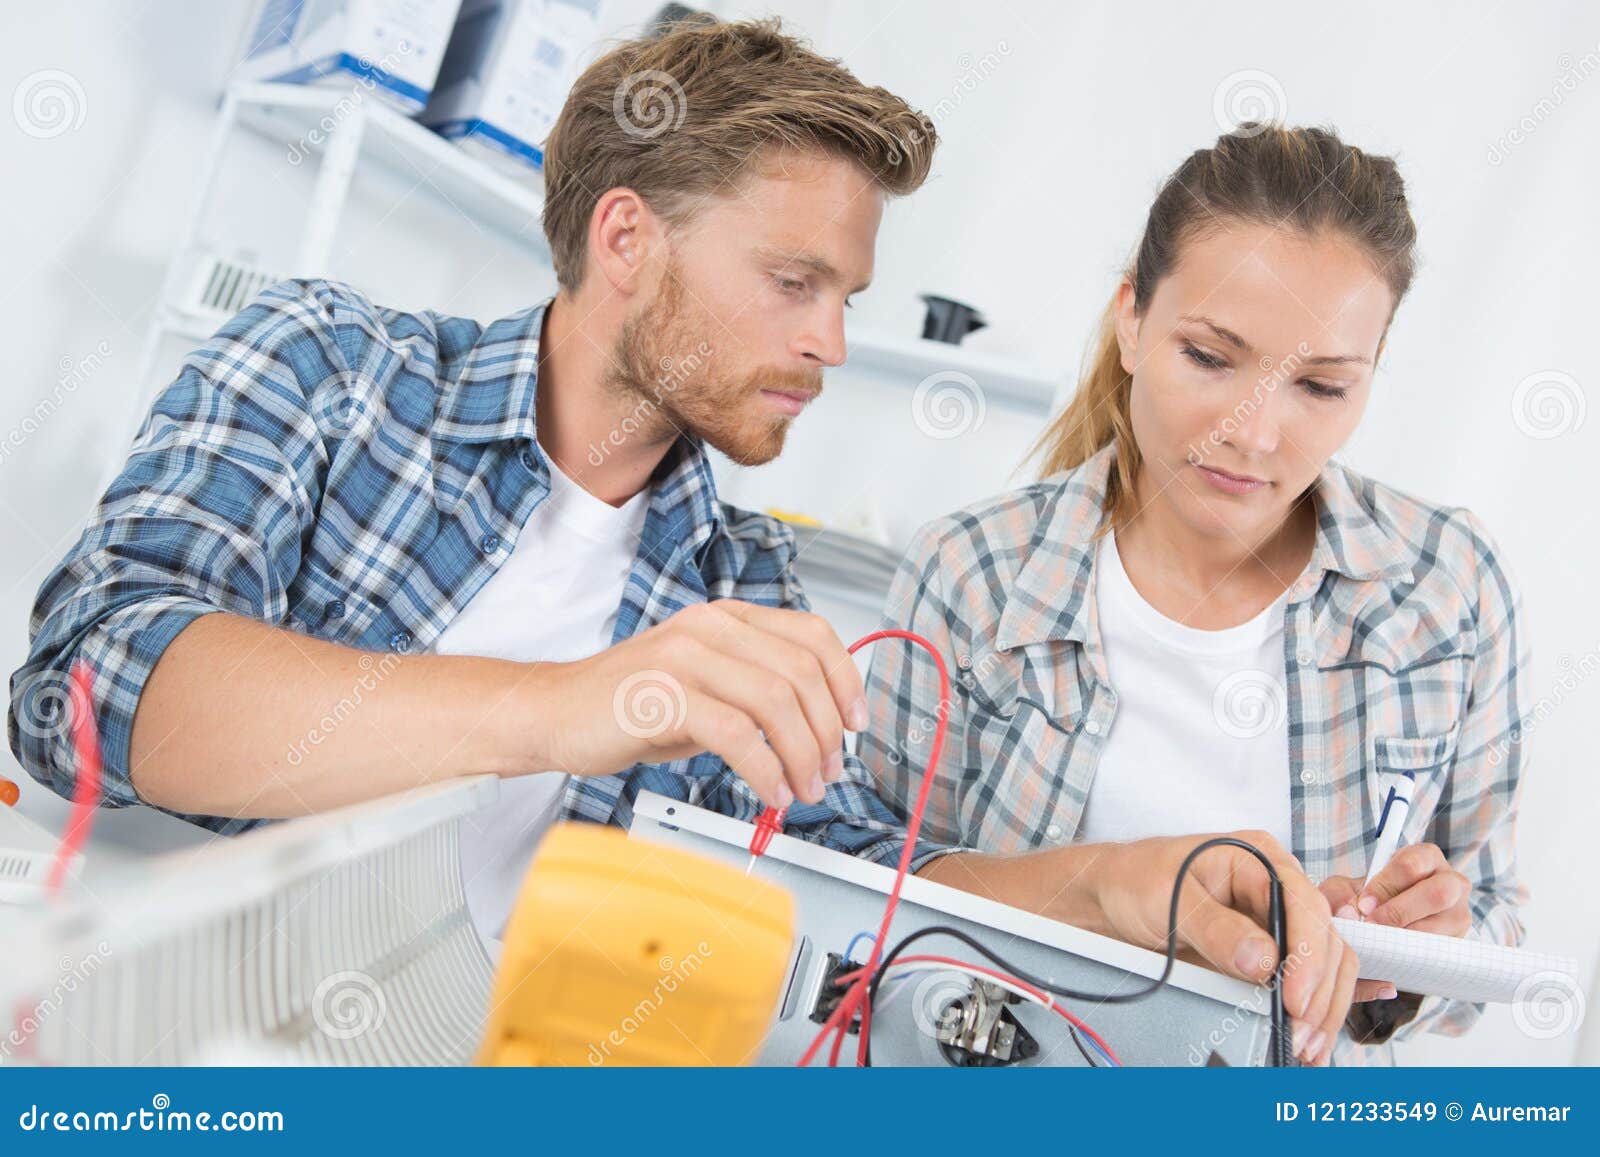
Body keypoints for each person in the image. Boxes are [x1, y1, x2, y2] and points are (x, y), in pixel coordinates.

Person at [10, 18, 1361, 1026]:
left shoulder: (741, 583)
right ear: (627, 240)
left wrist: (1112, 886)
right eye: (794, 281)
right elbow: (88, 691)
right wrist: (574, 702)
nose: (832, 340)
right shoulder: (326, 369)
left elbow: (848, 877)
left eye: (848, 296)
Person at [859, 124, 1529, 1065]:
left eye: (1322, 385)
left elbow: (1493, 915)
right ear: (1130, 320)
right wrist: (1092, 883)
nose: (1255, 435)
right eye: (1211, 359)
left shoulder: (1446, 586)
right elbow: (867, 885)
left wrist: (1431, 948)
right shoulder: (972, 571)